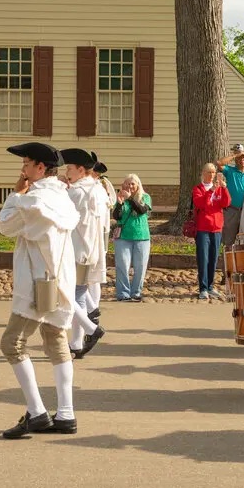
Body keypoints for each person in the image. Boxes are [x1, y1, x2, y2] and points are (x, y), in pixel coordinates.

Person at [0, 142, 80, 438]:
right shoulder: (63, 197)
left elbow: (4, 226)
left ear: (40, 168)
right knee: (55, 338)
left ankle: (36, 411)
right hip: (59, 280)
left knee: (12, 343)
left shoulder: (31, 200)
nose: (23, 168)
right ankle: (66, 413)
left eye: (27, 163)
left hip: (36, 281)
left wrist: (16, 192)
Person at [61, 148, 109, 358]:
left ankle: (90, 329)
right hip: (90, 249)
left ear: (81, 170)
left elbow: (61, 213)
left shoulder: (77, 191)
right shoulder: (96, 188)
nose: (67, 171)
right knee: (78, 295)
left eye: (70, 168)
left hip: (75, 249)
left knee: (63, 294)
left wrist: (62, 188)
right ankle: (76, 343)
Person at [192, 163, 231, 300]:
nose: (211, 175)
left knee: (213, 259)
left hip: (217, 228)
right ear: (203, 173)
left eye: (214, 172)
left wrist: (224, 189)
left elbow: (226, 203)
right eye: (209, 172)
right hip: (203, 228)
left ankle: (210, 286)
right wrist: (211, 191)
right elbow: (201, 204)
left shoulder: (219, 189)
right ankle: (203, 288)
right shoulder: (198, 189)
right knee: (203, 258)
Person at [112, 174, 152, 302]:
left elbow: (141, 210)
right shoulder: (121, 198)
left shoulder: (145, 197)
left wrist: (129, 199)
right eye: (127, 184)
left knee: (140, 267)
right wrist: (119, 204)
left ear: (138, 185)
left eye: (133, 184)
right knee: (122, 266)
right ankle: (123, 293)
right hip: (123, 237)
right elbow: (117, 216)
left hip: (142, 237)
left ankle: (136, 292)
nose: (130, 186)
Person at [217, 146, 244, 249]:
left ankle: (243, 263)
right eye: (239, 158)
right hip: (231, 211)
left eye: (243, 157)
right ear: (235, 160)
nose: (241, 160)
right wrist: (234, 155)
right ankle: (227, 262)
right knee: (228, 241)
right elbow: (219, 163)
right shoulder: (230, 171)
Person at [87, 154, 114, 323]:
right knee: (91, 279)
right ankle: (91, 308)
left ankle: (92, 308)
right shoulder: (95, 188)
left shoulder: (98, 188)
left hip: (95, 236)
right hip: (94, 235)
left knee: (92, 278)